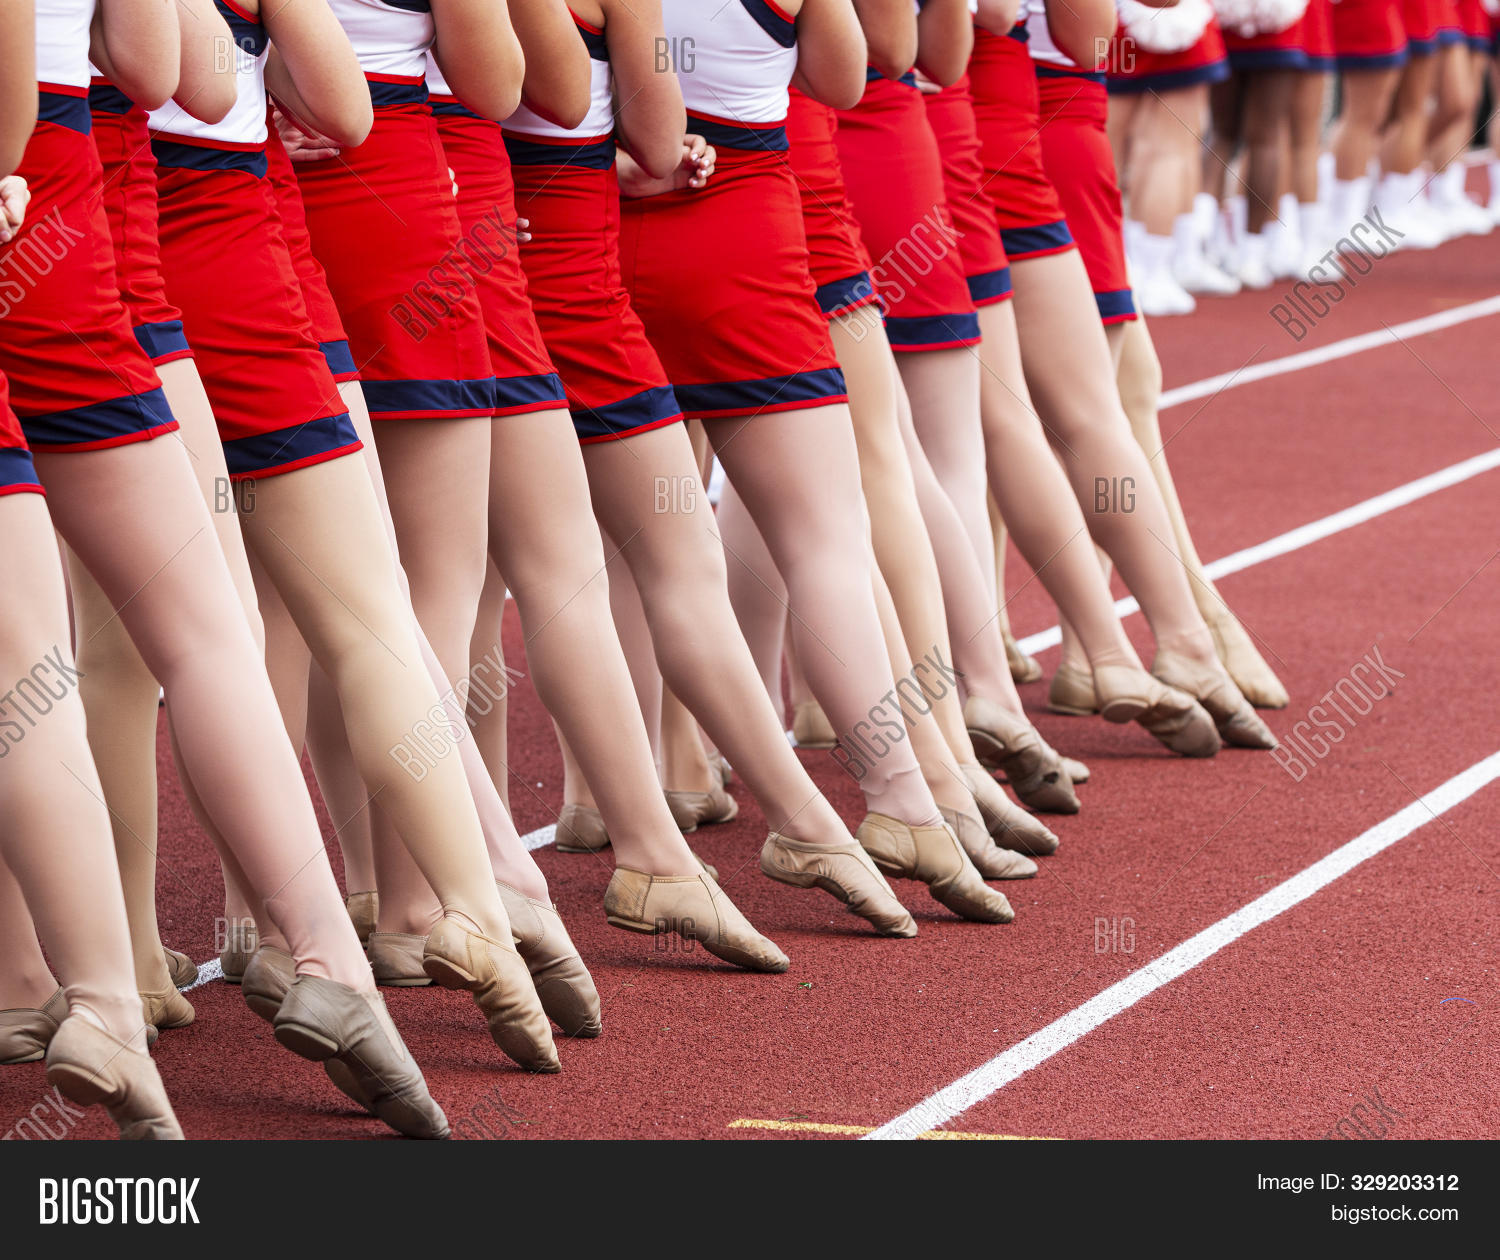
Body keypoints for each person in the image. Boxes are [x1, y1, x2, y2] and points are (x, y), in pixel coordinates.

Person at [0, 0, 446, 1138]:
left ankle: (53, 979)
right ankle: (309, 959)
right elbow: (165, 70)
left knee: (22, 664)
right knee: (199, 634)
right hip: (57, 204)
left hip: (80, 209)